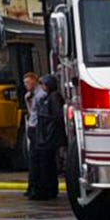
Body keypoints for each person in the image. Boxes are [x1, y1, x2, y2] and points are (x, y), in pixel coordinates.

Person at [24, 73, 65, 202]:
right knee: (41, 161)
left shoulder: (49, 97)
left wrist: (45, 123)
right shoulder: (41, 96)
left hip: (44, 133)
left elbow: (55, 116)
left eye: (43, 84)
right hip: (41, 130)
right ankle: (41, 189)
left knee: (43, 161)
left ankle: (43, 190)